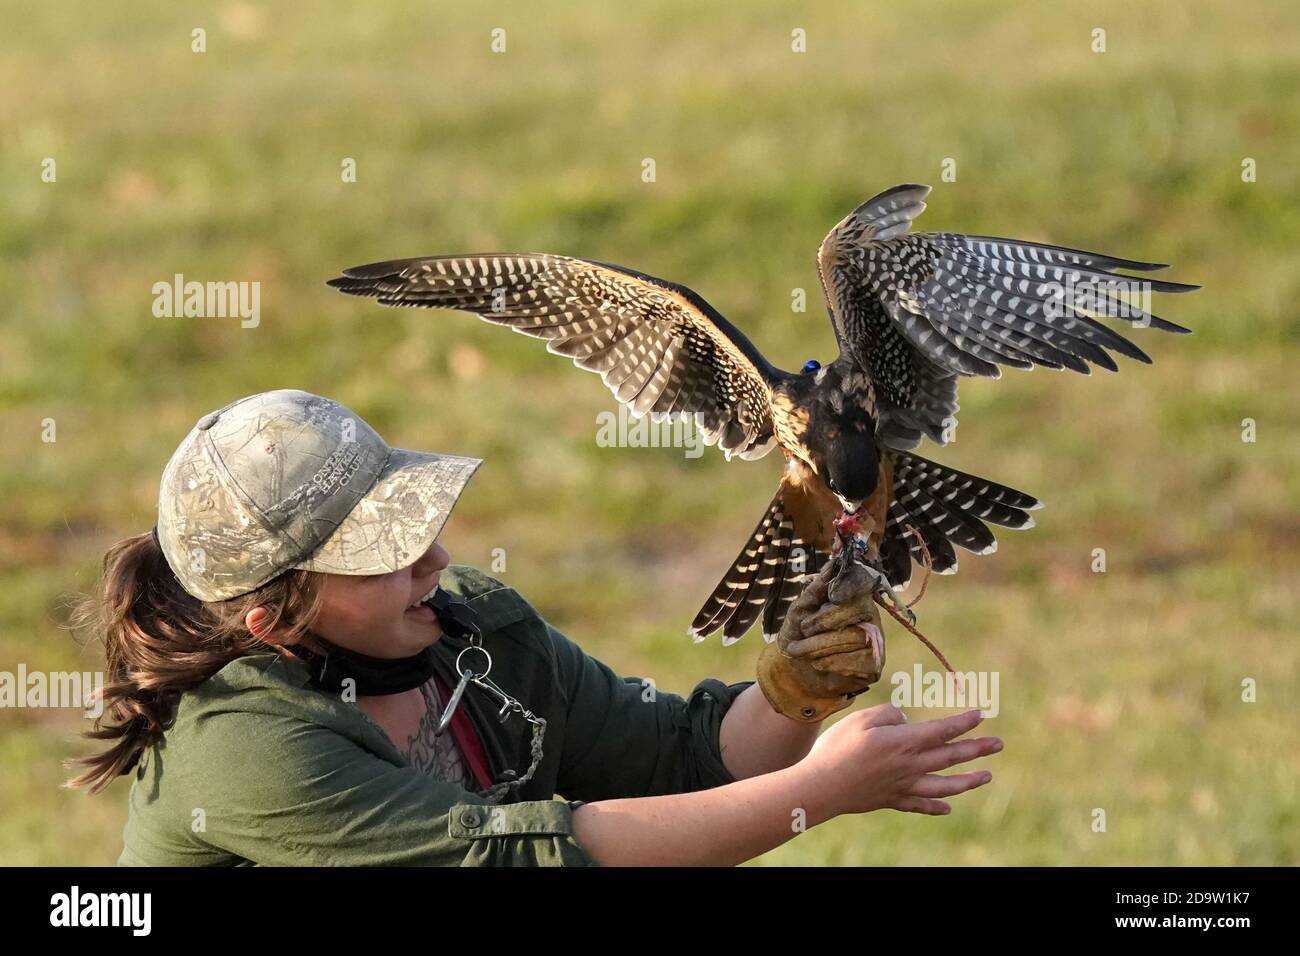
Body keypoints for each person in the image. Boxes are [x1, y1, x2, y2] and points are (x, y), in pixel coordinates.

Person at [67, 388, 1002, 866]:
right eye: (384, 554)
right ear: (274, 618)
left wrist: (796, 691)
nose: (434, 561)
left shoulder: (473, 627)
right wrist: (820, 793)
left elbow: (683, 760)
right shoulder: (242, 748)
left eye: (420, 527)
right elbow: (520, 854)